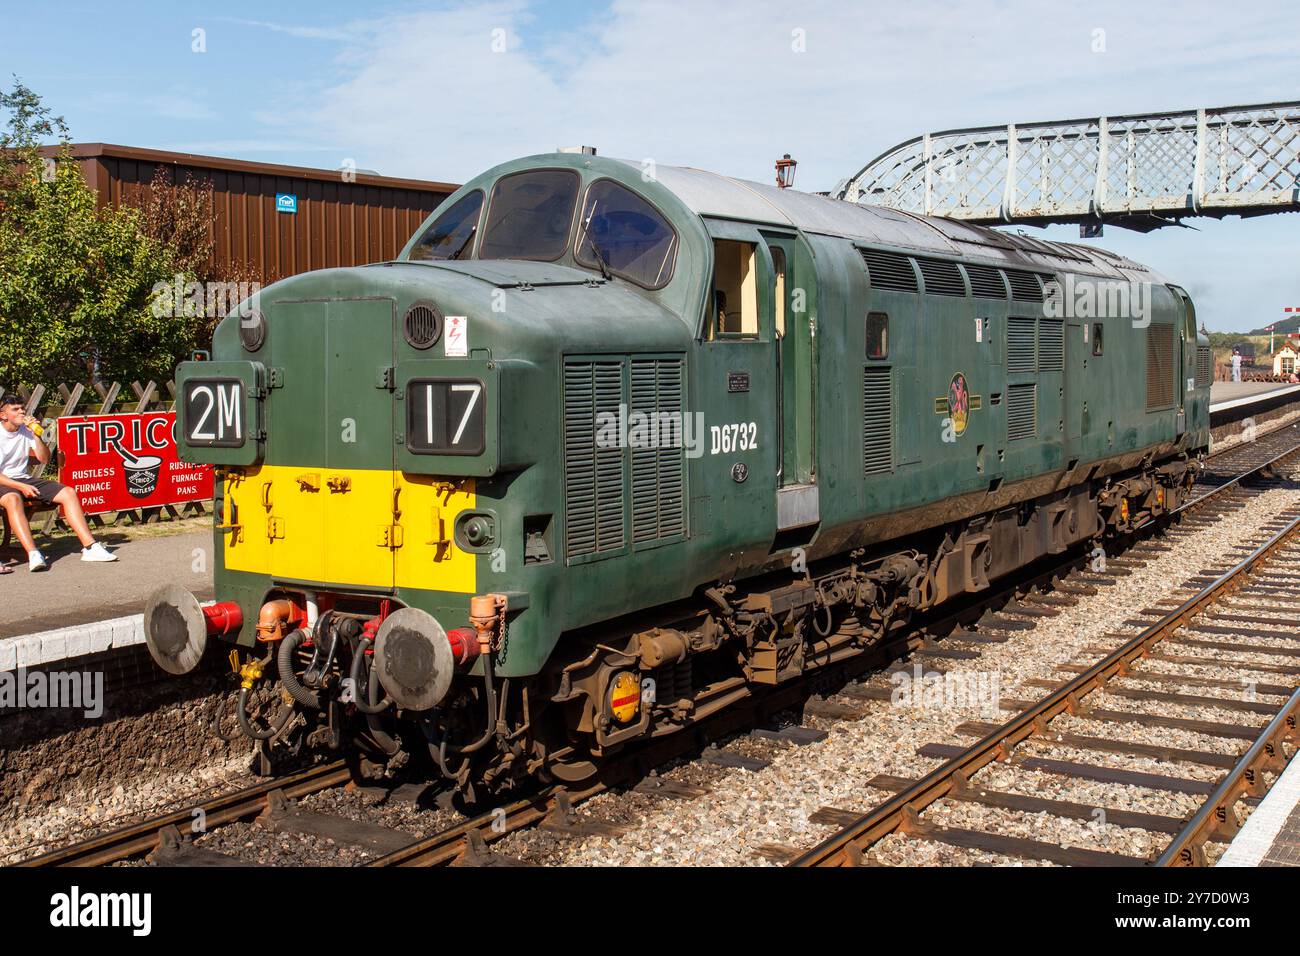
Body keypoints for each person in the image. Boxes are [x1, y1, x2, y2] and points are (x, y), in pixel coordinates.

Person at [0, 394, 118, 571]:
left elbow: (45, 459)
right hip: (4, 481)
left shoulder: (26, 431)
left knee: (68, 492)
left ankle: (90, 547)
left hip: (23, 479)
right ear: (3, 415)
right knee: (13, 498)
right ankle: (33, 553)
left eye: (22, 408)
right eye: (15, 409)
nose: (22, 412)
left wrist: (36, 435)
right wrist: (21, 486)